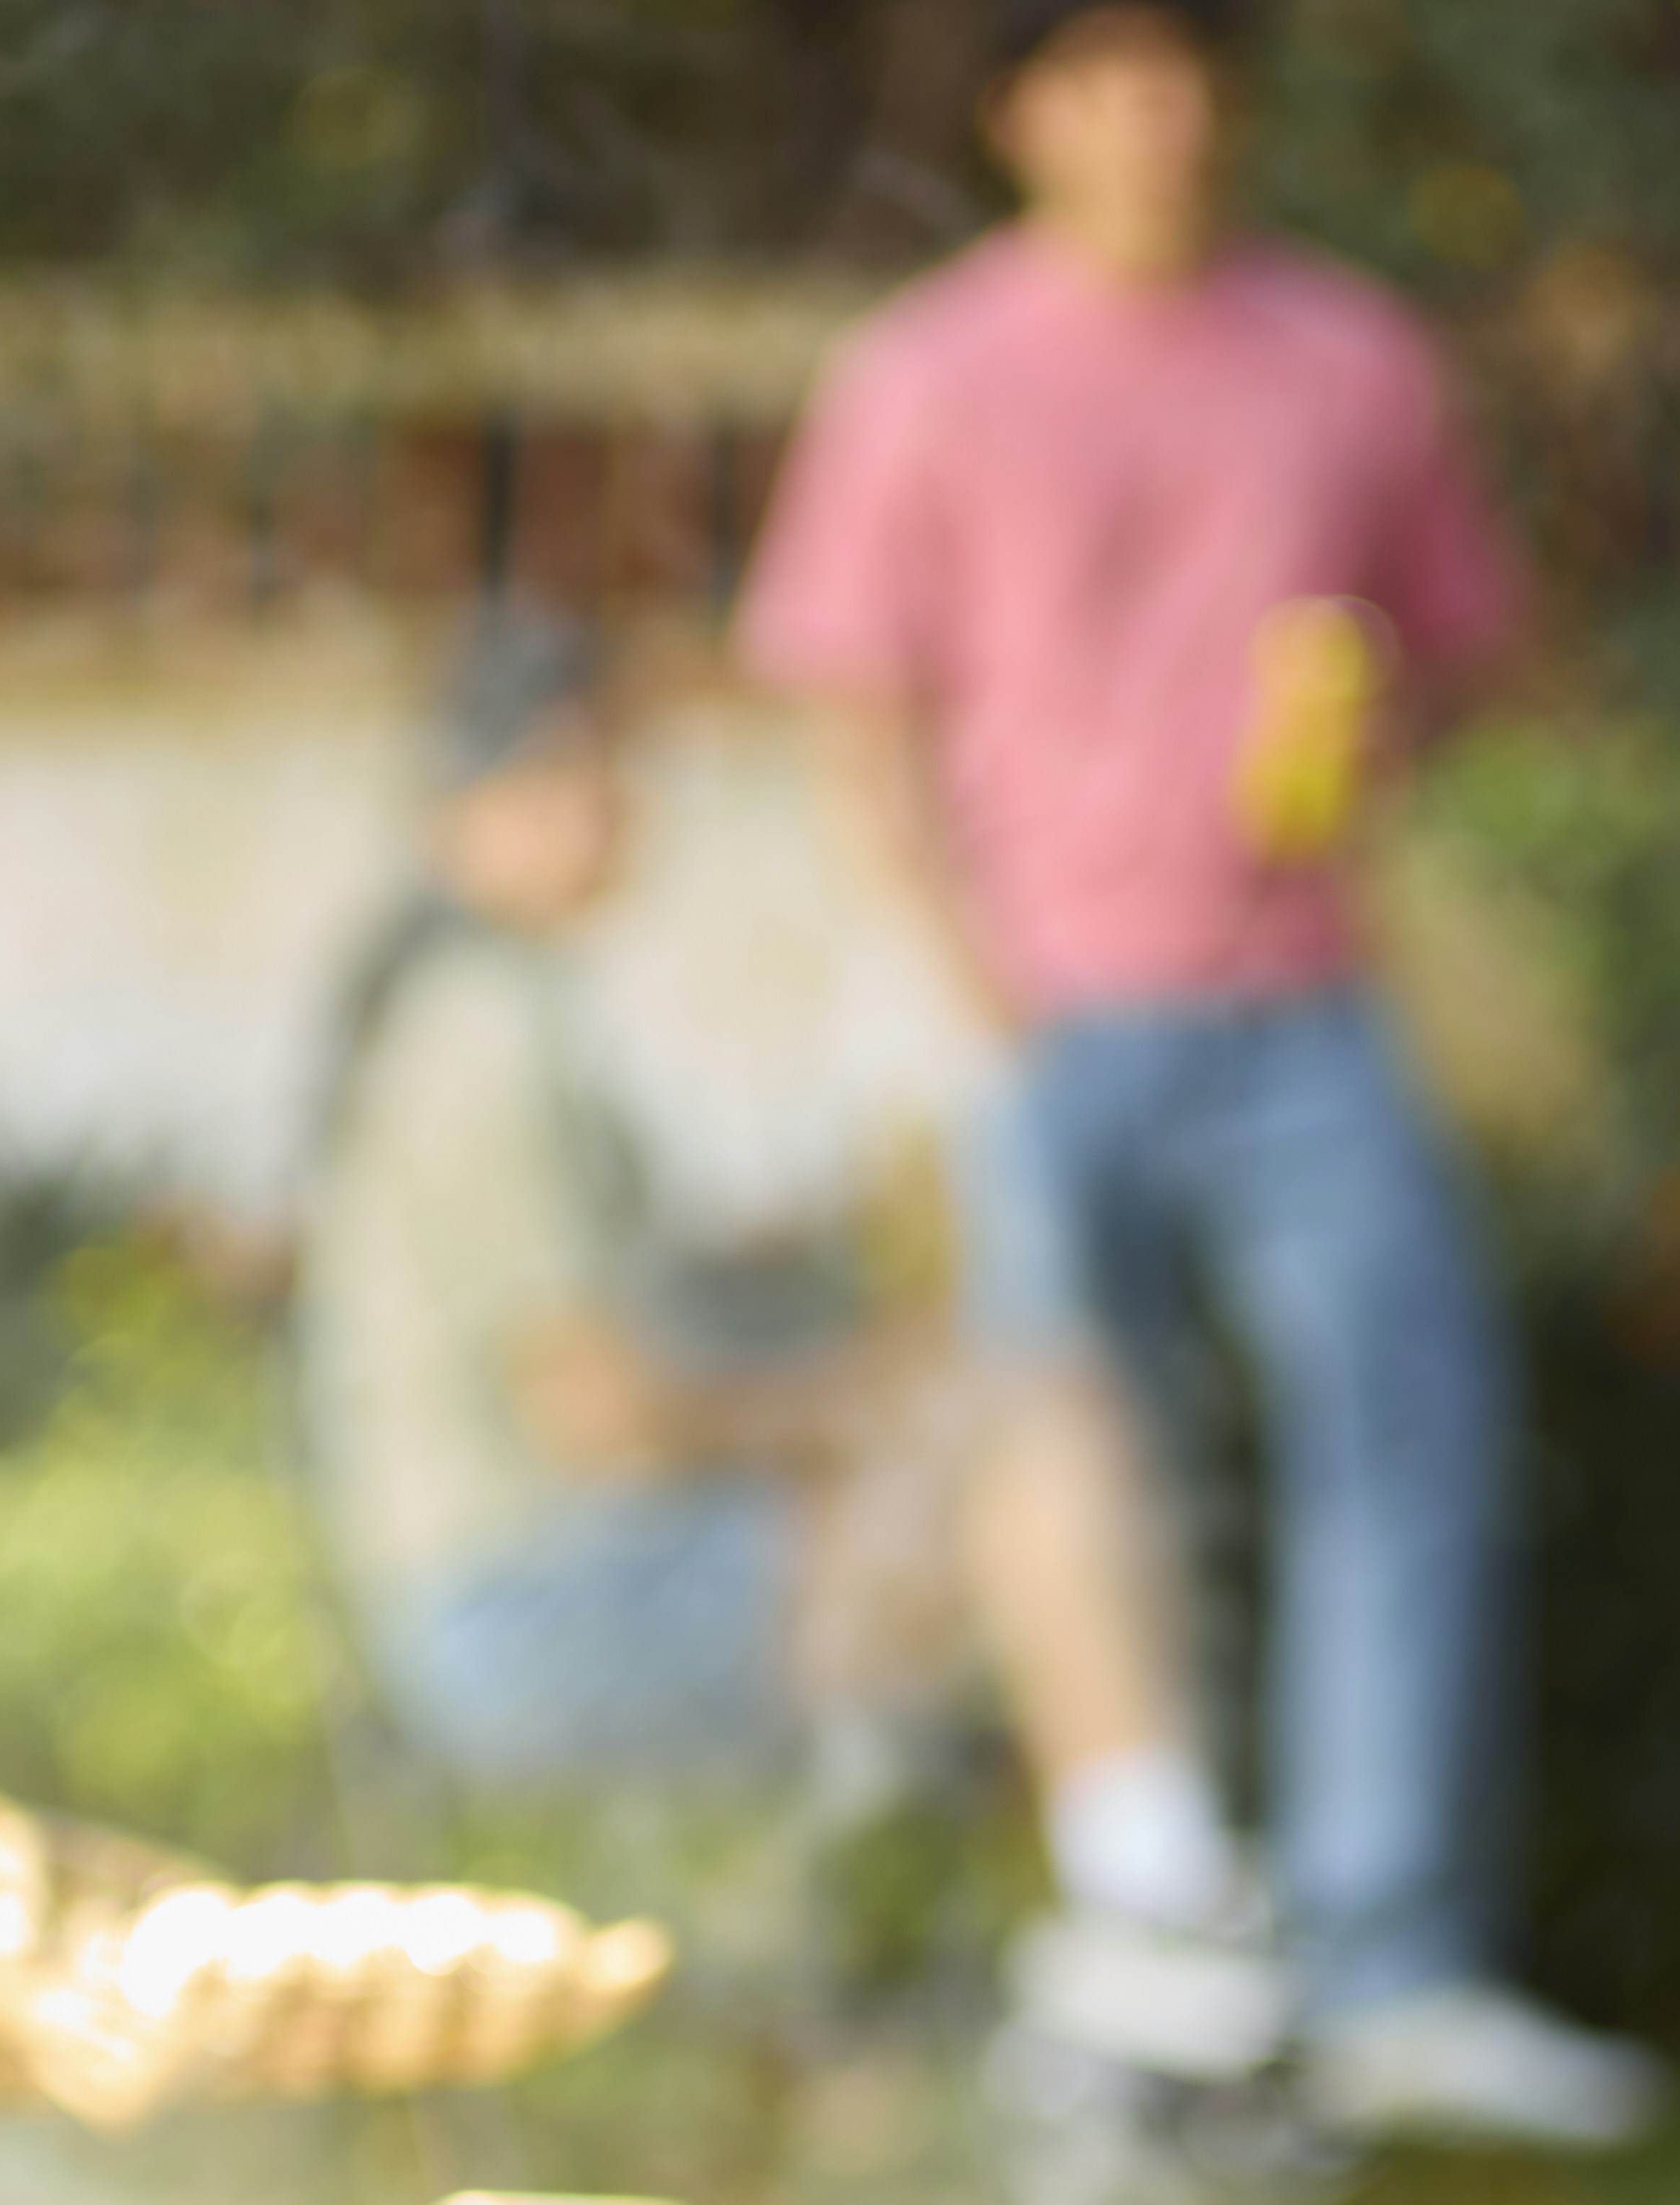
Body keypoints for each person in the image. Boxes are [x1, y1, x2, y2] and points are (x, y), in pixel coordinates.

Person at [737, 0, 1655, 2153]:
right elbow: (851, 712)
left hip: (1302, 1003)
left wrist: (1370, 733)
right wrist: (980, 994)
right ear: (1023, 114)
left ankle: (1393, 1974)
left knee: (1404, 1443)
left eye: (1188, 75)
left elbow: (1457, 654)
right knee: (1082, 1478)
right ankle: (1149, 1967)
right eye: (1103, 75)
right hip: (1045, 1015)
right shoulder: (928, 375)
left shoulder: (1350, 360)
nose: (1154, 116)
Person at [298, 600, 1284, 2081]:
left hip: (540, 1580)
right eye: (573, 771)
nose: (616, 808)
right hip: (535, 1610)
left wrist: (825, 1276)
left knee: (1036, 1464)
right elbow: (602, 1416)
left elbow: (618, 1312)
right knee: (1039, 1461)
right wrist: (859, 1405)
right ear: (465, 801)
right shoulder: (482, 1041)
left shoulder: (487, 1008)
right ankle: (1137, 1929)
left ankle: (1118, 1936)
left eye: (621, 766)